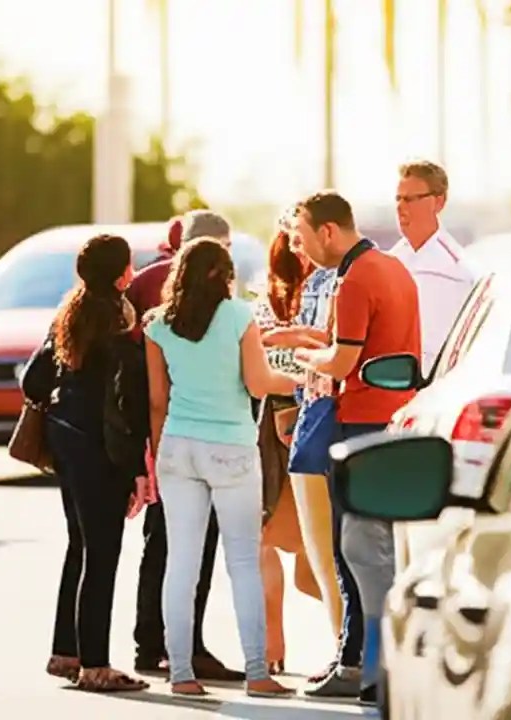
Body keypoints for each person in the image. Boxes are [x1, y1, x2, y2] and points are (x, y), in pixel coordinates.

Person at [143, 237, 300, 698]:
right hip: (230, 448)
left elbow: (157, 400)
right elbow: (257, 384)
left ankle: (181, 675)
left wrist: (159, 455)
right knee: (244, 562)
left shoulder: (157, 325)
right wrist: (294, 379)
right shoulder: (237, 316)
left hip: (177, 447)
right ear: (223, 274)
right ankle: (257, 673)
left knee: (182, 564)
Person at [291, 191, 421, 705]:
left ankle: (366, 667)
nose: (302, 249)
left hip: (362, 425)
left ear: (328, 231)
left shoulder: (353, 279)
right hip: (393, 421)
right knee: (371, 550)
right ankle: (366, 664)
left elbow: (342, 363)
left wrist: (306, 357)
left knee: (359, 551)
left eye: (303, 237)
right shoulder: (394, 269)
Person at [127, 210, 243, 682]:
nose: (229, 262)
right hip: (189, 435)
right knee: (194, 545)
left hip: (158, 437)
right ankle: (184, 645)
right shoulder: (183, 293)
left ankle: (150, 643)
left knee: (162, 544)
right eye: (224, 250)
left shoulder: (149, 286)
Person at [37, 234, 151, 693]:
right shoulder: (118, 320)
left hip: (65, 442)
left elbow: (33, 379)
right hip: (101, 449)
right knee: (101, 554)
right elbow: (128, 402)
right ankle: (96, 666)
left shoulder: (69, 313)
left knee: (78, 547)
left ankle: (66, 652)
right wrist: (136, 469)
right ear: (121, 273)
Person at [254, 219, 341, 675]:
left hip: (274, 435)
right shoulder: (324, 297)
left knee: (288, 553)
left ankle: (281, 647)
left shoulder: (261, 308)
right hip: (300, 432)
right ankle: (338, 643)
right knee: (309, 555)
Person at [388, 160, 477, 373]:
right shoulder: (391, 260)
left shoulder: (456, 270)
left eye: (410, 199)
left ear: (438, 202)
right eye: (398, 199)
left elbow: (442, 353)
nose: (401, 207)